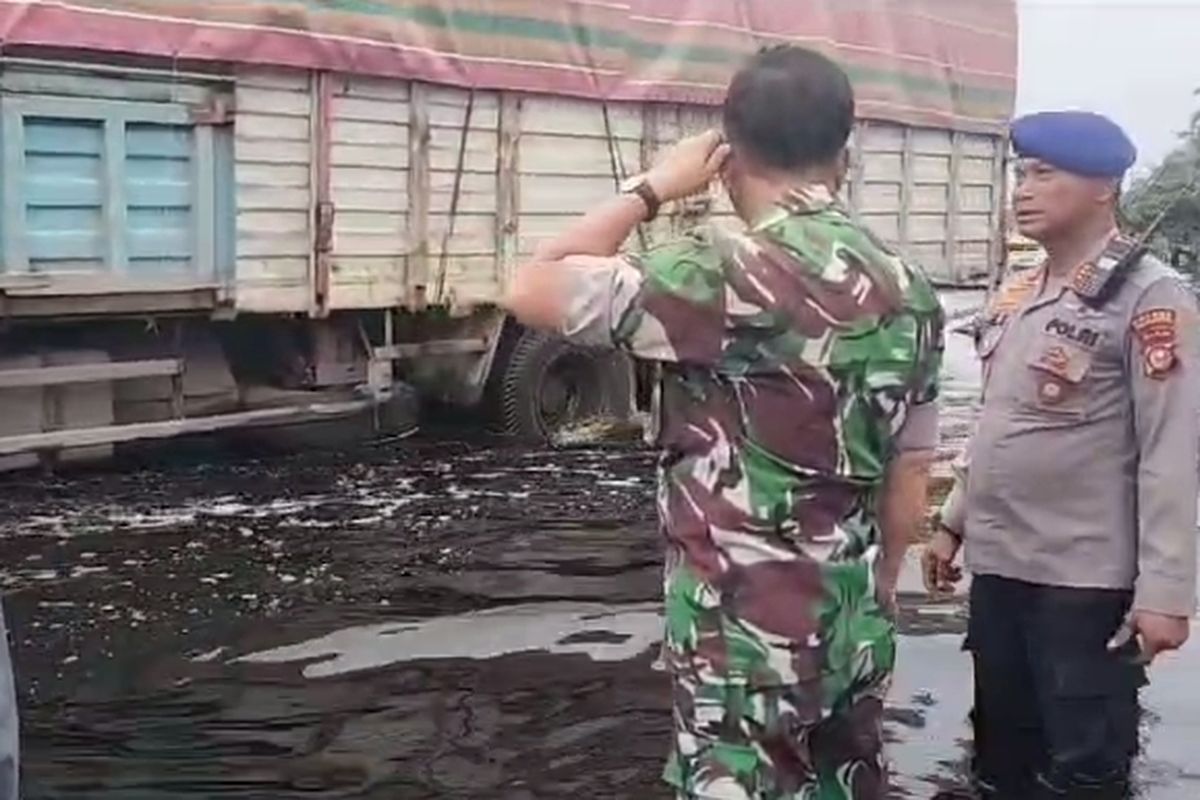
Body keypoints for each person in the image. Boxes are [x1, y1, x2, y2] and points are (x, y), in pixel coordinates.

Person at [504, 45, 944, 799]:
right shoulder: (912, 292)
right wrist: (875, 595)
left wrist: (653, 187)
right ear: (845, 152)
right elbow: (910, 483)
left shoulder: (717, 273)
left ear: (728, 155)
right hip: (854, 622)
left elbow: (531, 284)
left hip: (743, 637)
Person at [925, 111, 1200, 800]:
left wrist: (1166, 595)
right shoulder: (1021, 295)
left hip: (1083, 582)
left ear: (1104, 186)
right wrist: (952, 521)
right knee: (999, 758)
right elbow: (999, 422)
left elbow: (1173, 451)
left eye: (1044, 174)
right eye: (1022, 173)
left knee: (1085, 770)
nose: (1023, 188)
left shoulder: (1151, 297)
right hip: (1002, 567)